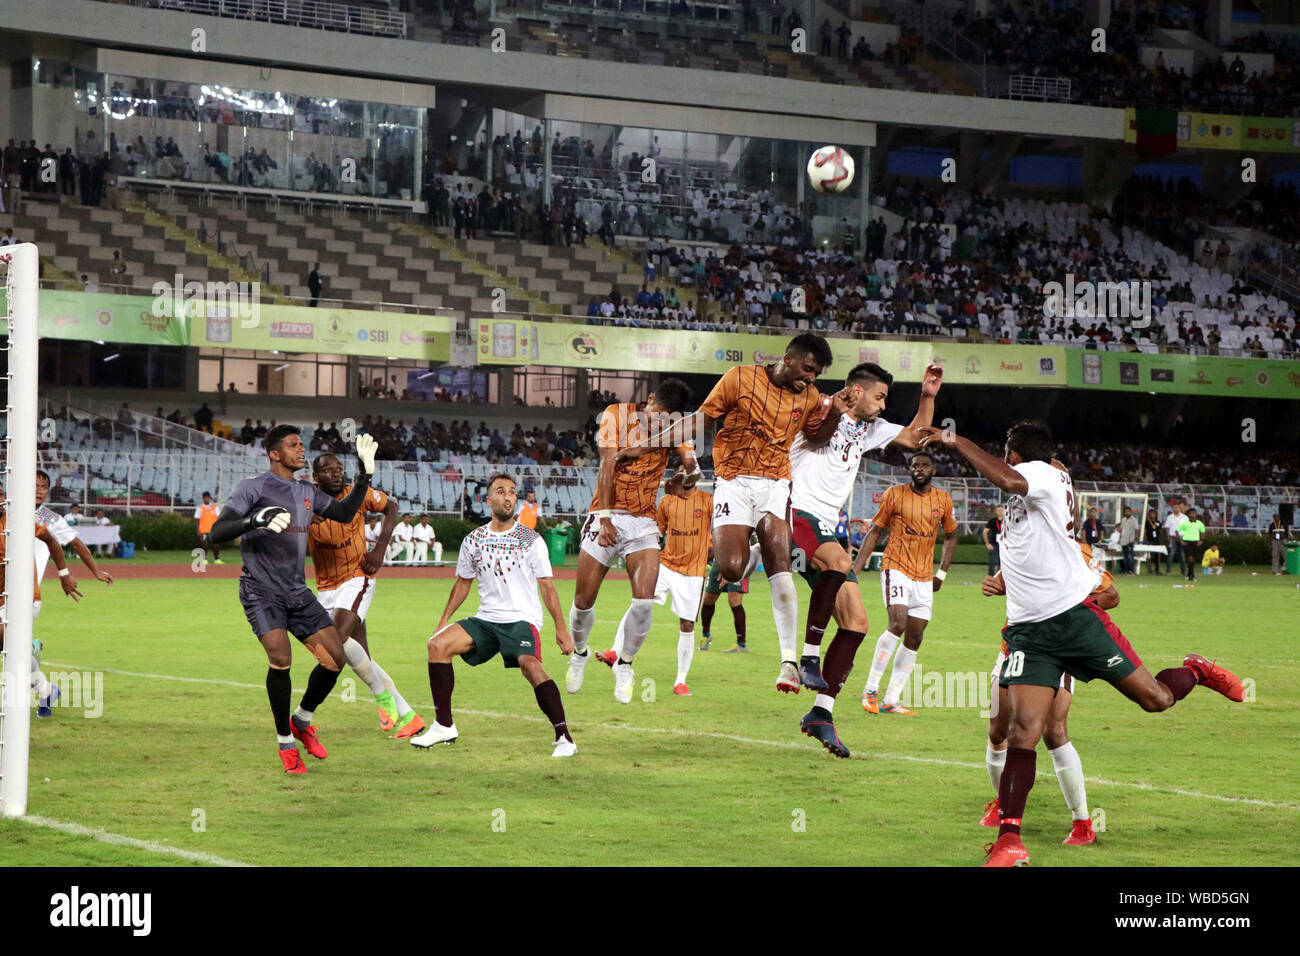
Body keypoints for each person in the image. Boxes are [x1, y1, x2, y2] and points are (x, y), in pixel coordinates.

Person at [915, 420, 1244, 867]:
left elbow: (1010, 477)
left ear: (1017, 454)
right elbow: (1033, 546)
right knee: (1022, 733)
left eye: (1007, 452)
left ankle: (1196, 671)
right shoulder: (1024, 495)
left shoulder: (1044, 475)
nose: (1005, 460)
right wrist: (1006, 582)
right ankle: (1010, 841)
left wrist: (958, 441)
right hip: (1030, 632)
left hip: (1075, 619)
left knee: (1156, 700)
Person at [670, 334, 848, 692]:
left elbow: (815, 438)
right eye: (808, 369)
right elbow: (701, 420)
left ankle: (788, 664)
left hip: (775, 482)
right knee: (731, 568)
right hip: (733, 481)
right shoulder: (739, 377)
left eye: (817, 374)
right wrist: (659, 442)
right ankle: (751, 554)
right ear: (789, 358)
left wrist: (837, 415)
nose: (811, 378)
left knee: (780, 559)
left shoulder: (810, 396)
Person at [205, 426, 379, 774]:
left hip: (297, 591)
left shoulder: (306, 491)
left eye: (302, 444)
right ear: (274, 453)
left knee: (335, 658)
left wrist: (364, 476)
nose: (302, 450)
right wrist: (252, 521)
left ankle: (301, 720)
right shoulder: (252, 487)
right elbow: (215, 534)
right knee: (281, 658)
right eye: (293, 445)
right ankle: (285, 742)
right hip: (260, 591)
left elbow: (345, 514)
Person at [789, 361, 941, 754]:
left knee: (857, 623)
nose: (883, 405)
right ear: (856, 391)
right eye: (879, 396)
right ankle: (806, 658)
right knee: (840, 563)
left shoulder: (871, 429)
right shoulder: (820, 408)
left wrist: (927, 395)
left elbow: (918, 436)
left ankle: (821, 713)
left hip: (823, 526)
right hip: (794, 513)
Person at [982, 495, 1117, 847]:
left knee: (1054, 732)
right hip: (1012, 648)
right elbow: (1003, 582)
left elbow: (1111, 595)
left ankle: (1082, 822)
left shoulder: (1077, 550)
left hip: (1056, 651)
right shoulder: (1017, 542)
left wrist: (1070, 609)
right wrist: (996, 585)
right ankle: (1003, 803)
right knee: (998, 728)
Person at [410, 473, 576, 756]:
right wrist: (444, 619)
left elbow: (547, 586)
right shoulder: (474, 539)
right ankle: (444, 725)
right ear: (488, 500)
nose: (508, 496)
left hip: (522, 619)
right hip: (486, 619)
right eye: (501, 491)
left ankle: (564, 738)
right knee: (437, 645)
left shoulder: (530, 539)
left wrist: (561, 629)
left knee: (530, 666)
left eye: (512, 492)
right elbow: (463, 582)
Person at [564, 379, 696, 704]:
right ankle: (579, 653)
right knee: (583, 603)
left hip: (642, 521)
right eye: (655, 415)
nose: (657, 423)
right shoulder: (615, 415)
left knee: (644, 602)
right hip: (605, 513)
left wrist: (683, 479)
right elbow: (608, 462)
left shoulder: (677, 430)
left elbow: (694, 470)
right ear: (648, 400)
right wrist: (605, 517)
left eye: (665, 420)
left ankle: (625, 664)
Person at [308, 453, 424, 738]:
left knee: (335, 644)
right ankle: (409, 715)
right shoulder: (306, 501)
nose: (336, 474)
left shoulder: (357, 494)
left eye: (339, 469)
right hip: (326, 588)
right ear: (315, 477)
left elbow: (391, 507)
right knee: (356, 656)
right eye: (328, 470)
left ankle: (305, 717)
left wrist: (380, 549)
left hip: (357, 577)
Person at [851, 449, 958, 714]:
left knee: (915, 635)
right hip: (896, 567)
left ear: (933, 471)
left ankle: (891, 699)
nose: (919, 469)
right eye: (914, 465)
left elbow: (951, 536)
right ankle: (870, 690)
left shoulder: (943, 500)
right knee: (897, 623)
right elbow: (875, 530)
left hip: (924, 576)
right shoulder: (894, 495)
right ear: (909, 470)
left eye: (924, 465)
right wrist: (856, 568)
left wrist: (941, 573)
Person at [597, 471, 712, 696]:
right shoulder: (667, 502)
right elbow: (657, 532)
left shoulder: (707, 500)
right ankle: (614, 651)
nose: (685, 477)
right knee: (640, 602)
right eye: (680, 473)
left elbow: (718, 529)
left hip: (693, 572)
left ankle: (680, 681)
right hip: (666, 565)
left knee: (687, 625)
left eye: (689, 473)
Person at [0, 481, 83, 718]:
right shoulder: (14, 508)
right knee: (13, 650)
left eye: (43, 486)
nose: (38, 489)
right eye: (34, 484)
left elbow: (73, 541)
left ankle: (13, 707)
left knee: (8, 643)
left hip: (26, 591)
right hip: (5, 588)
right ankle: (45, 688)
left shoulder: (47, 515)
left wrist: (88, 571)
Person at [699, 551, 753, 652]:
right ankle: (705, 636)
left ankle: (741, 644)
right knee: (708, 598)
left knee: (734, 600)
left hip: (739, 559)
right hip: (720, 560)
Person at [1179, 507, 1206, 583]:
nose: (1193, 515)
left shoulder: (1199, 523)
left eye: (1194, 513)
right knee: (1190, 558)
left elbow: (1203, 532)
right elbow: (1178, 531)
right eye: (1191, 513)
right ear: (1188, 515)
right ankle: (1192, 575)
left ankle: (1188, 574)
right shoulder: (1185, 523)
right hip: (1187, 542)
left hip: (1195, 543)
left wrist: (1201, 540)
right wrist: (1181, 540)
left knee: (1193, 559)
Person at [195, 491, 223, 564]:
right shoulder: (200, 508)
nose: (206, 499)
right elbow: (197, 519)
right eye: (205, 498)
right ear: (203, 498)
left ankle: (217, 559)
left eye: (207, 497)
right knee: (204, 544)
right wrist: (198, 529)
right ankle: (204, 559)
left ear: (209, 498)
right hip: (204, 529)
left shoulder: (215, 507)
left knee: (215, 545)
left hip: (213, 530)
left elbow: (218, 518)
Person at [1163, 502, 1187, 577]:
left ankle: (1183, 571)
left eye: (1177, 507)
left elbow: (1187, 528)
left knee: (1182, 556)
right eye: (1174, 507)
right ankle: (1168, 571)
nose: (1175, 509)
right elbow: (1167, 527)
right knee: (1171, 554)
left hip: (1182, 537)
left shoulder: (1184, 517)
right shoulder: (1170, 517)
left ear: (1179, 509)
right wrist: (1167, 536)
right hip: (1173, 537)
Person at [1119, 506, 1140, 574]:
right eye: (1126, 511)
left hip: (1130, 540)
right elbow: (1122, 530)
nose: (1127, 512)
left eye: (1128, 511)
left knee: (1130, 556)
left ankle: (1131, 570)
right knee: (1125, 556)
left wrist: (1135, 538)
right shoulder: (1123, 520)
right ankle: (1126, 570)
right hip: (1123, 540)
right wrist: (1120, 539)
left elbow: (1136, 530)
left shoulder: (1134, 520)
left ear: (1131, 512)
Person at [984, 505, 1004, 575]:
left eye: (1001, 510)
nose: (1000, 512)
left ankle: (1000, 577)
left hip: (1003, 545)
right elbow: (985, 532)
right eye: (998, 510)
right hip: (993, 544)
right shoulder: (992, 521)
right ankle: (991, 577)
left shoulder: (1006, 521)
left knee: (1001, 563)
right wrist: (987, 544)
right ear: (996, 511)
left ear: (1004, 511)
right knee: (991, 562)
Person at [1143, 507, 1163, 574]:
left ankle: (1157, 570)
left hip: (1156, 541)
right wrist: (1145, 539)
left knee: (1157, 556)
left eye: (1153, 514)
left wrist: (1160, 541)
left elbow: (1160, 531)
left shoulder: (1158, 522)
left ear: (1155, 514)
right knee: (1149, 556)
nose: (1152, 515)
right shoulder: (1147, 522)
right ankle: (1149, 569)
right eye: (1150, 514)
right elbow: (1145, 531)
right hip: (1149, 540)